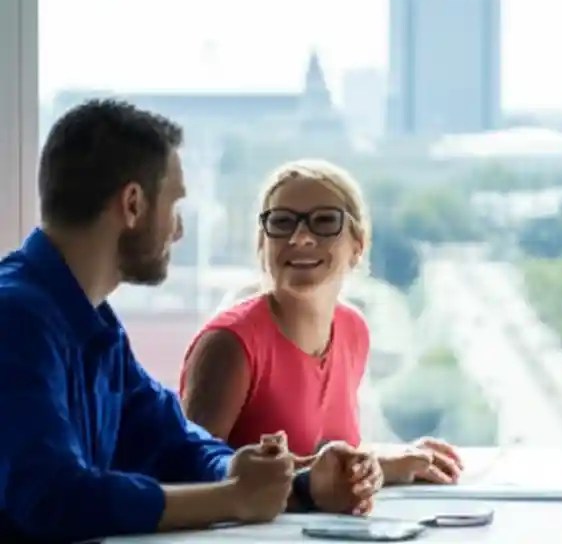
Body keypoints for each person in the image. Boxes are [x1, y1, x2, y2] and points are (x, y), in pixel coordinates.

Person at [0, 99, 381, 543]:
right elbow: (54, 498)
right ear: (133, 204)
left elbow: (173, 441)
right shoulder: (16, 319)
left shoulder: (92, 323)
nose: (178, 230)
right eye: (174, 204)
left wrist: (289, 481)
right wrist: (231, 498)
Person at [180, 159, 464, 486]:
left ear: (358, 245)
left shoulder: (353, 329)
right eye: (283, 222)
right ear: (262, 245)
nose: (300, 237)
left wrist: (396, 459)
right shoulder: (229, 344)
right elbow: (193, 475)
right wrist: (381, 466)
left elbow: (326, 455)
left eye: (324, 221)